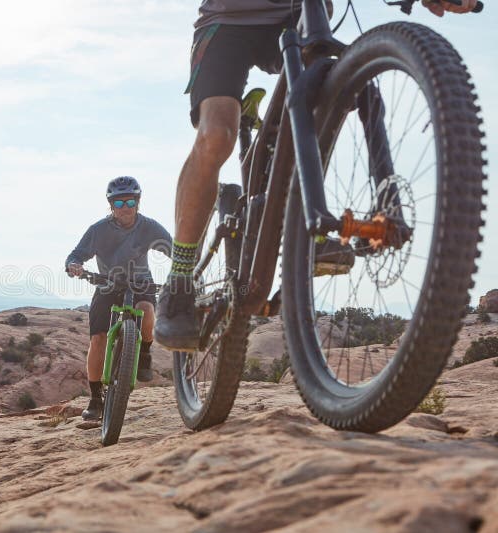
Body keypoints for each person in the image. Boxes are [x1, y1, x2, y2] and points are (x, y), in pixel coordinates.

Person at [154, 0, 480, 350]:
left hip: (300, 12)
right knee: (217, 136)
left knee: (326, 84)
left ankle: (303, 216)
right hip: (228, 21)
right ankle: (180, 280)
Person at [66, 176, 172, 420]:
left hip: (141, 283)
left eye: (130, 202)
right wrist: (74, 265)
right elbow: (77, 254)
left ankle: (144, 352)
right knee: (99, 339)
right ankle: (95, 399)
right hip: (107, 285)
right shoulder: (98, 230)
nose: (125, 208)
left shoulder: (149, 227)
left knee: (146, 310)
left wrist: (183, 271)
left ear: (138, 202)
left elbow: (173, 250)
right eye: (119, 203)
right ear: (110, 205)